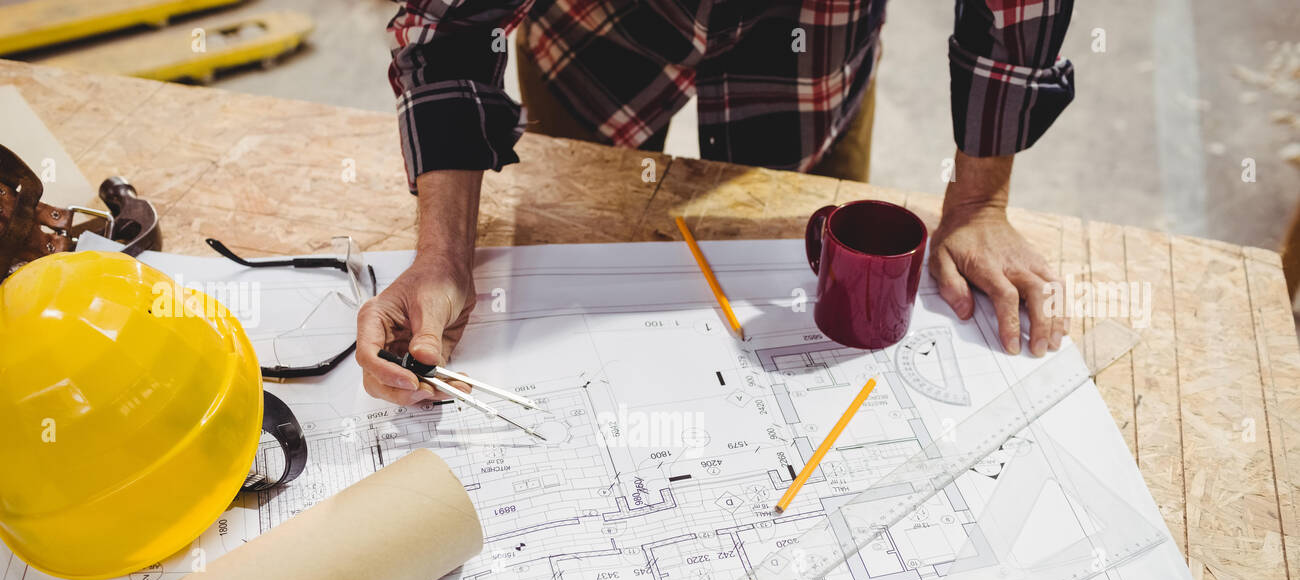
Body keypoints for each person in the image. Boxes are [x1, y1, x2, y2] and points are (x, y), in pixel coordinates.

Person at [359, 1, 1076, 405]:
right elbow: (450, 29)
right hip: (599, 39)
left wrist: (981, 201)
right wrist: (445, 256)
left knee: (816, 223)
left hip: (813, 49)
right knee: (569, 215)